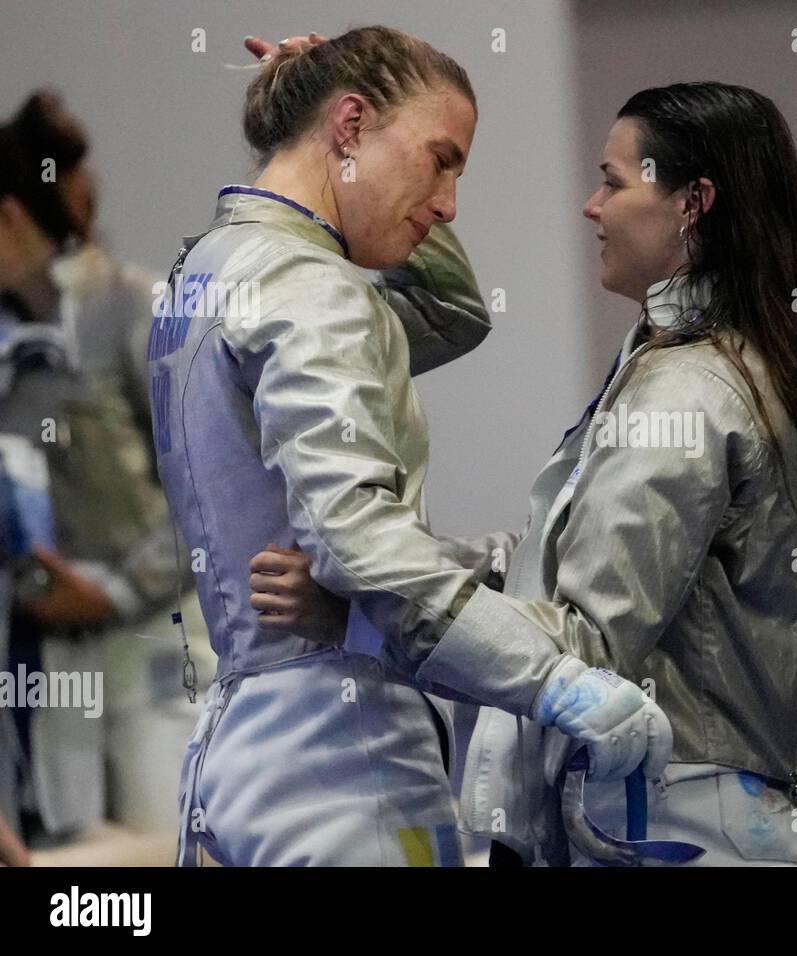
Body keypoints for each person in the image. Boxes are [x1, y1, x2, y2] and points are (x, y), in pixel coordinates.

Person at [260, 81, 797, 867]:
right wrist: (394, 575)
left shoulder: (689, 391)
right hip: (706, 819)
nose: (592, 206)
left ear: (693, 203)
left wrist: (366, 610)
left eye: (614, 182)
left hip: (686, 826)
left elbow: (585, 642)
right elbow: (564, 569)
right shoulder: (699, 362)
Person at [149, 26, 668, 867]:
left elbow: (453, 313)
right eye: (440, 159)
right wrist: (557, 681)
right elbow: (355, 538)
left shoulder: (212, 266)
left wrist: (322, 101)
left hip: (245, 745)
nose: (449, 203)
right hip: (340, 748)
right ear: (350, 126)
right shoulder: (312, 287)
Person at [0, 89, 181, 846]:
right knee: (78, 873)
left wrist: (107, 593)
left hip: (161, 664)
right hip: (53, 670)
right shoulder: (10, 340)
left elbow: (215, 494)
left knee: (160, 852)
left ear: (8, 218)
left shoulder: (138, 308)